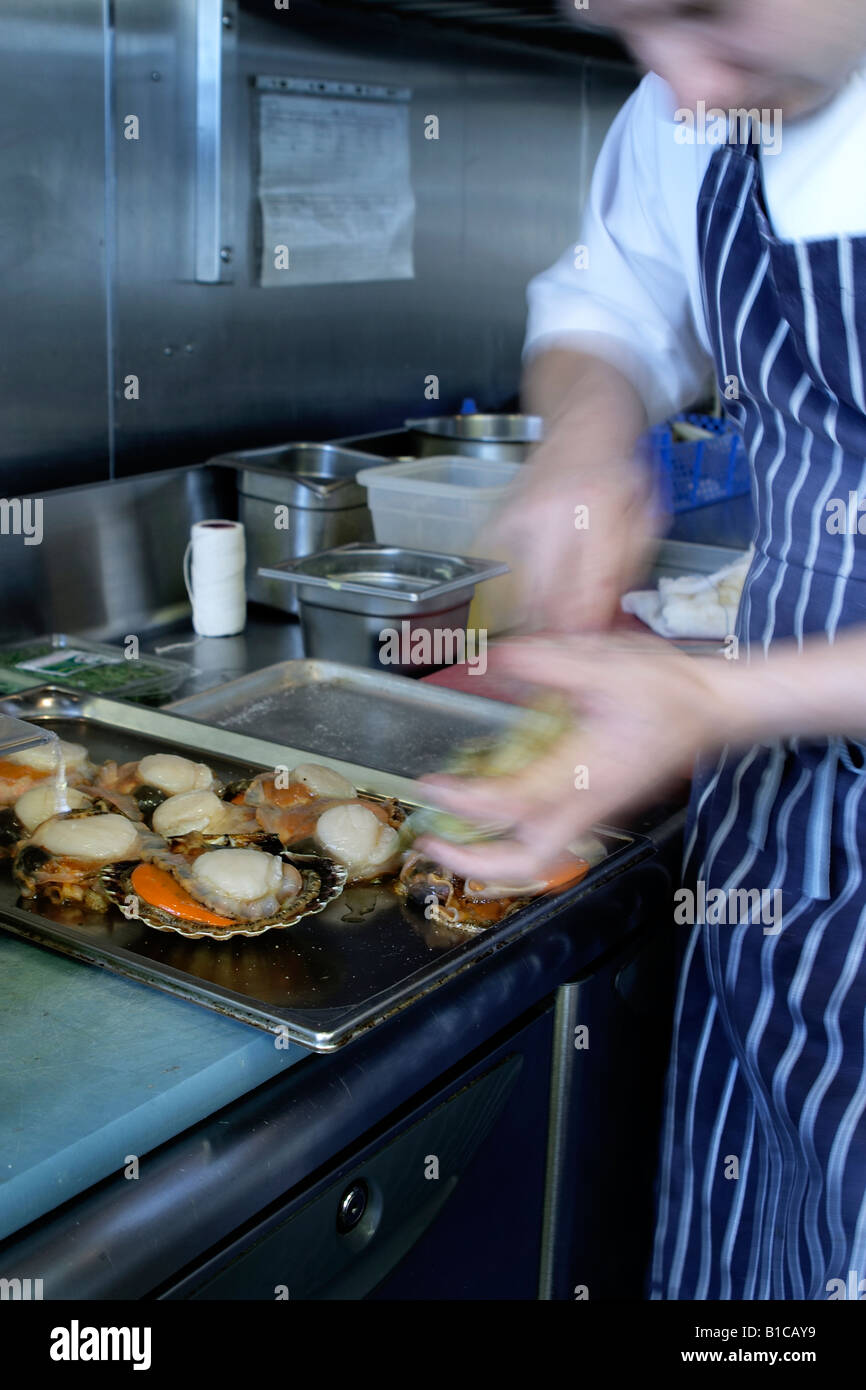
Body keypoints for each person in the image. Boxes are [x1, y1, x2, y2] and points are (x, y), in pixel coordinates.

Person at [418, 0, 866, 1300]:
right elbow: (611, 297)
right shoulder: (713, 89)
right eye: (620, 22)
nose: (672, 89)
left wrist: (721, 696)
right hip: (783, 848)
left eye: (699, 11)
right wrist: (585, 434)